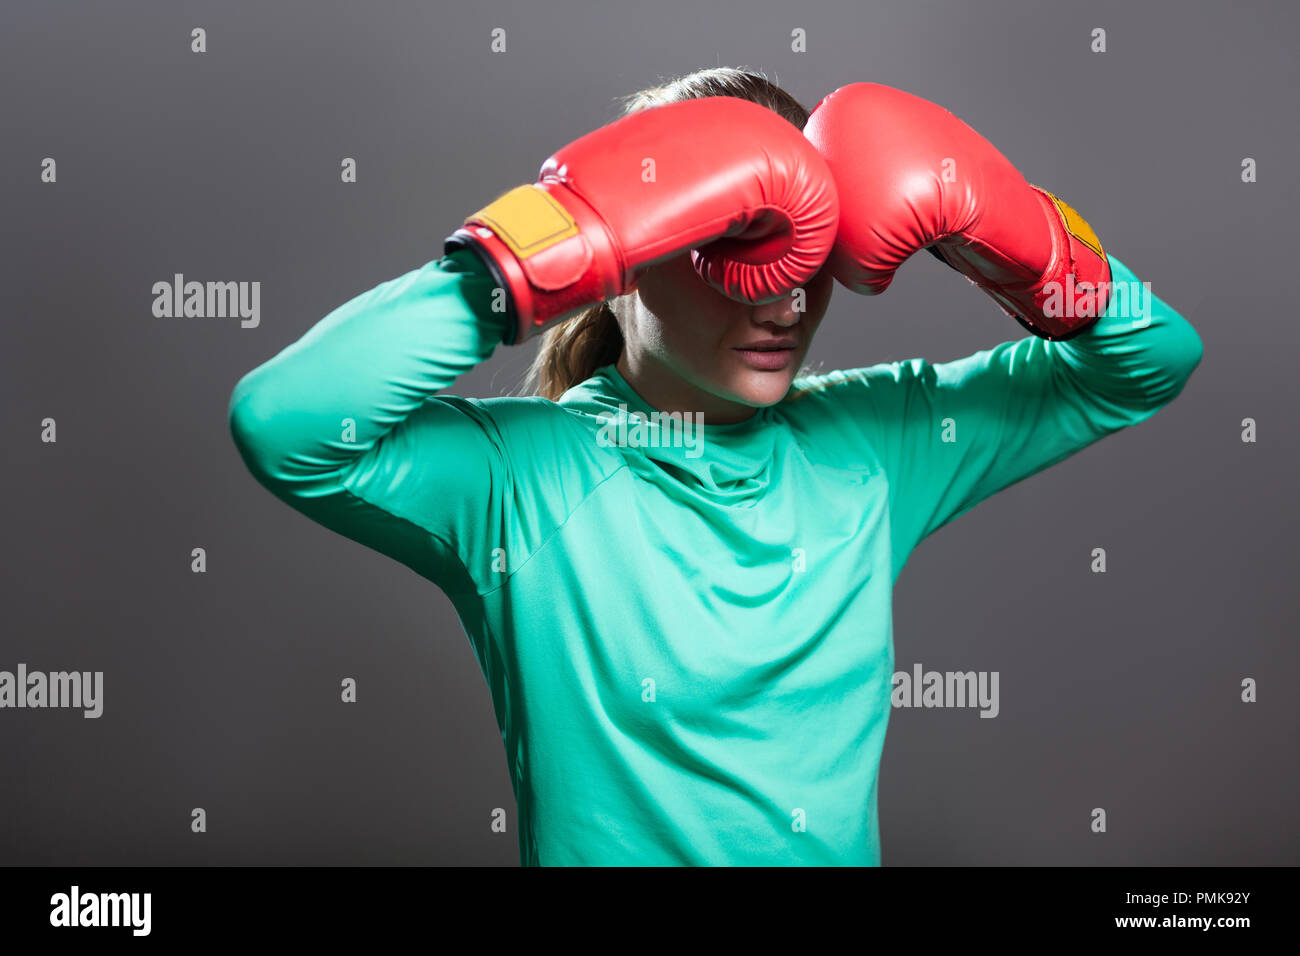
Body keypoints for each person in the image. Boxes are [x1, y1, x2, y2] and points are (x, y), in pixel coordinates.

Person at [228, 67, 1203, 866]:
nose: (783, 302)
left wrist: (1021, 247)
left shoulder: (876, 442)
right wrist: (540, 249)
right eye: (734, 250)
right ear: (628, 266)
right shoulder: (523, 482)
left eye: (807, 254)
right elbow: (287, 422)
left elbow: (1149, 358)